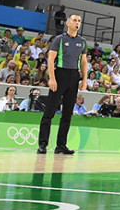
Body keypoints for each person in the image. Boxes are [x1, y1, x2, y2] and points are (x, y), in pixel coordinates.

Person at [38, 13, 89, 155]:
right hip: (60, 74)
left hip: (74, 76)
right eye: (74, 20)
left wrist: (84, 80)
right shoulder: (59, 40)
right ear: (68, 23)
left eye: (79, 21)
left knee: (67, 114)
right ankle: (43, 144)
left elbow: (84, 62)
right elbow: (50, 60)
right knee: (49, 112)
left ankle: (61, 145)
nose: (77, 23)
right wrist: (52, 78)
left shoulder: (82, 42)